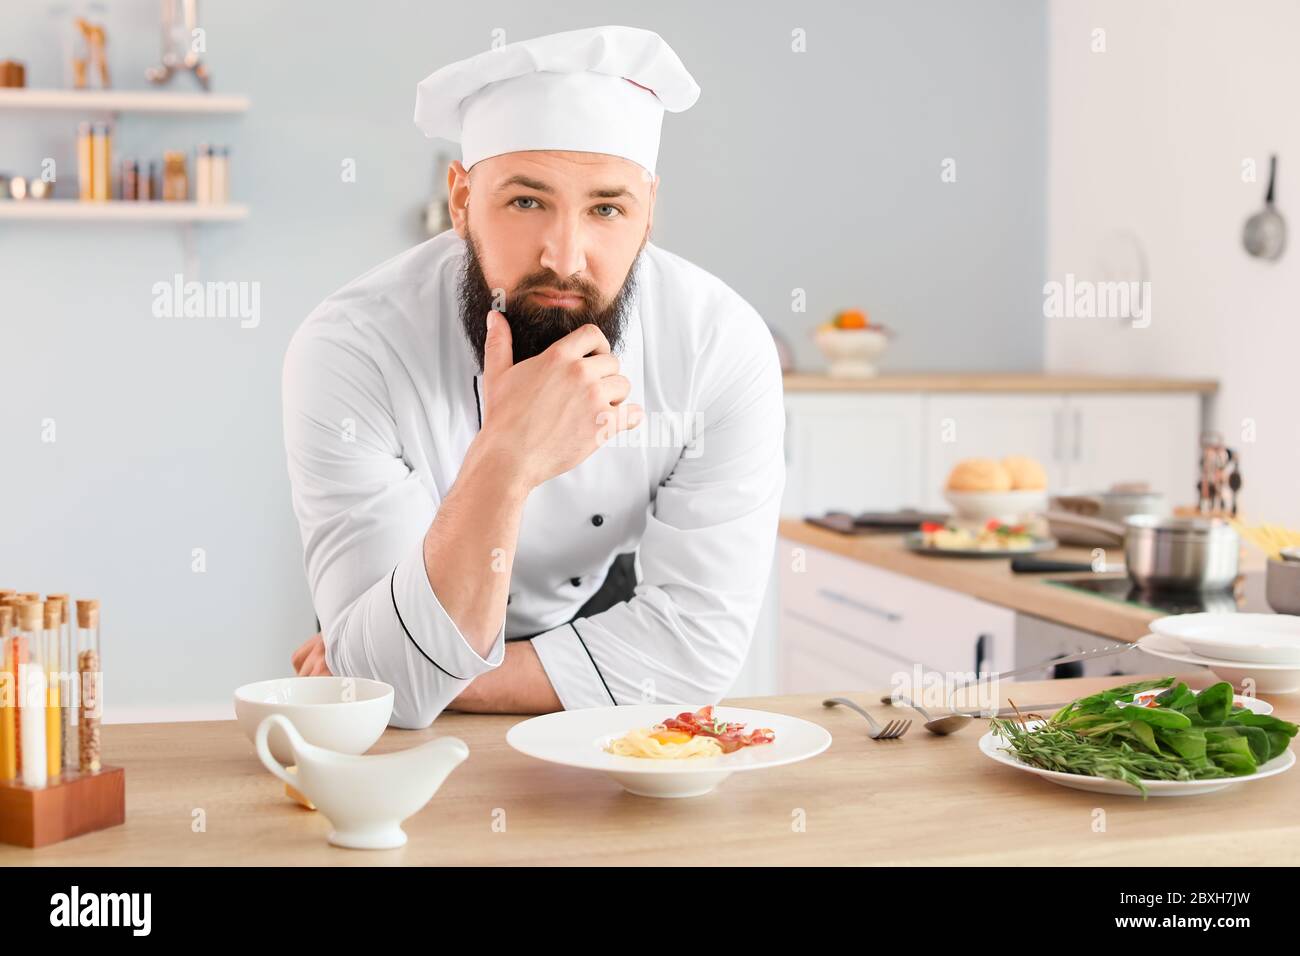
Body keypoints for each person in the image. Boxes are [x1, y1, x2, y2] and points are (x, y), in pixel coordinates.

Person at [282, 25, 784, 727]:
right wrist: (507, 457)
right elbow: (382, 687)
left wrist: (422, 675)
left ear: (647, 217)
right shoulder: (353, 347)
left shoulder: (720, 347)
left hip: (594, 626)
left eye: (607, 209)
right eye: (526, 202)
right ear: (461, 200)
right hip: (405, 601)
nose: (566, 256)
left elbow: (693, 654)